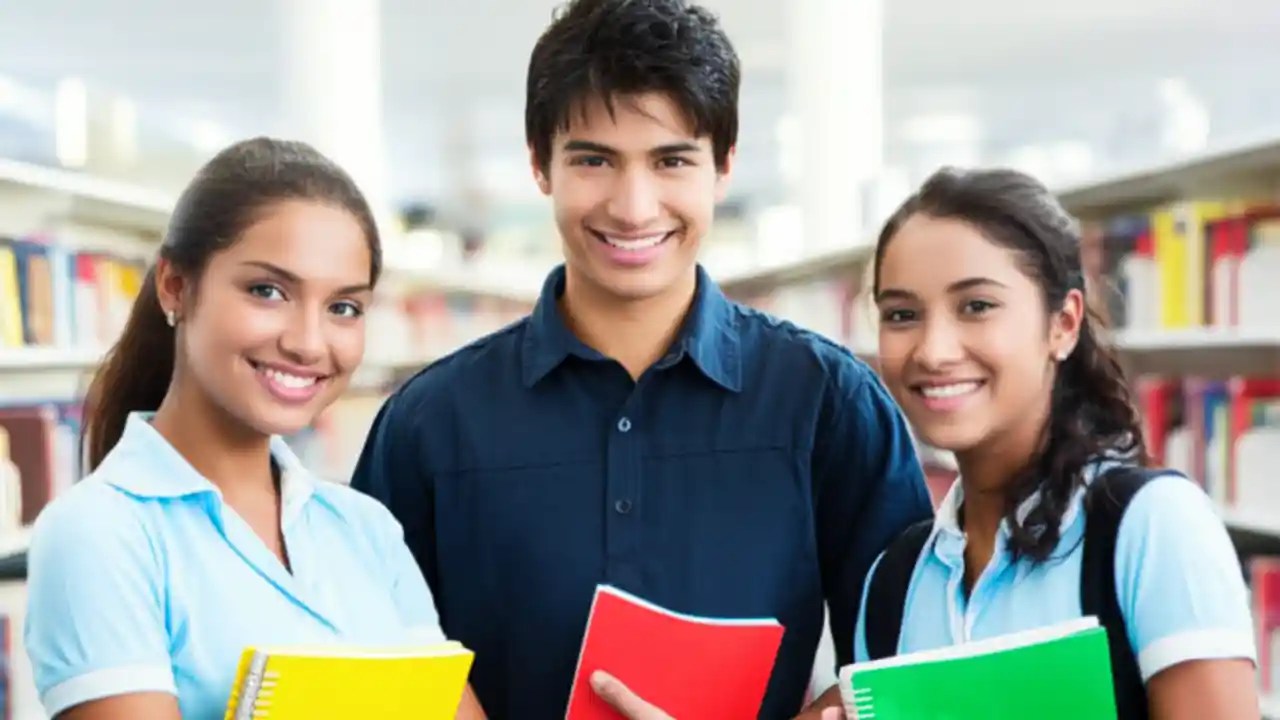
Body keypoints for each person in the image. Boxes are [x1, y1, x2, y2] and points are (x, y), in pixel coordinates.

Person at [348, 1, 933, 718]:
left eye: (671, 161)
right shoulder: (428, 424)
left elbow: (907, 670)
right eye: (593, 160)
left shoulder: (830, 404)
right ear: (540, 165)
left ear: (723, 167)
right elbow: (365, 663)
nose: (633, 206)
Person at [23, 138, 485, 720]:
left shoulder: (366, 531)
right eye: (268, 291)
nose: (308, 342)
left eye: (344, 307)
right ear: (175, 285)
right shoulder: (100, 533)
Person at [850, 167, 1259, 718]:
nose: (933, 350)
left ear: (1063, 323)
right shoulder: (894, 583)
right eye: (901, 315)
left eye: (976, 306)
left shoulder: (1150, 526)